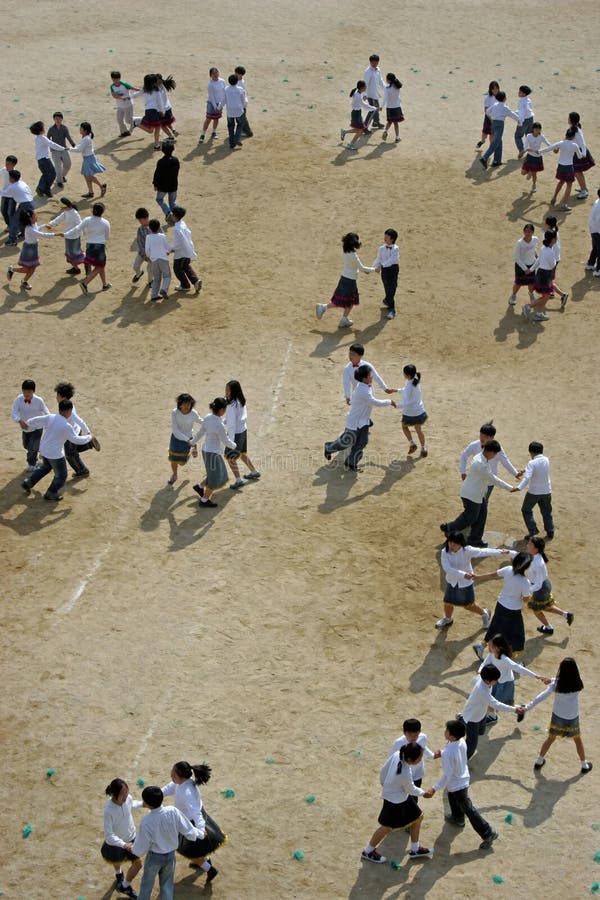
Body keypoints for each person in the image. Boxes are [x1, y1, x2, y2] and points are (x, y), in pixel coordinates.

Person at [423, 719, 499, 849]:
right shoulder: (461, 741)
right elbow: (453, 753)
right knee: (452, 798)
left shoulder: (448, 753)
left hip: (457, 784)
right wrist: (441, 752)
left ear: (452, 736)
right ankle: (458, 818)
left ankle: (488, 832)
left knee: (469, 809)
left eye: (447, 731)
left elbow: (447, 775)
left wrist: (434, 788)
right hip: (462, 778)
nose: (445, 732)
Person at [361, 742, 432, 864]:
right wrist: (424, 793)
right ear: (410, 759)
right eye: (419, 758)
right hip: (396, 802)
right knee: (386, 827)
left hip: (399, 797)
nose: (421, 760)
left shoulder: (397, 754)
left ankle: (415, 848)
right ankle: (368, 851)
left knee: (418, 818)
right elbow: (411, 789)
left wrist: (386, 786)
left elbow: (383, 771)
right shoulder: (405, 773)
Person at [130, 785, 204, 900]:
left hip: (154, 858)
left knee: (146, 885)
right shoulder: (173, 811)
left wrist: (133, 849)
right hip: (170, 857)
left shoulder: (146, 821)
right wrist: (201, 833)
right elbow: (188, 829)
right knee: (167, 886)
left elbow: (141, 847)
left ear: (147, 804)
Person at [525, 657, 592, 775]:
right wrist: (550, 680)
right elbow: (562, 680)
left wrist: (527, 708)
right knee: (577, 740)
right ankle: (584, 765)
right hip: (572, 717)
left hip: (558, 717)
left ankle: (539, 761)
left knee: (551, 738)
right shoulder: (578, 683)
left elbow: (541, 697)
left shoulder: (556, 685)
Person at [161, 761, 225, 882]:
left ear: (182, 777)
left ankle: (209, 869)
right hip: (190, 819)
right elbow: (171, 787)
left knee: (188, 851)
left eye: (174, 776)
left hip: (191, 823)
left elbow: (195, 811)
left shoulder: (187, 792)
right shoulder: (182, 782)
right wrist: (157, 794)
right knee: (197, 847)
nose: (171, 777)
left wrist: (201, 828)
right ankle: (205, 861)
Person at [458, 421, 520, 544]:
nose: (482, 438)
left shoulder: (498, 449)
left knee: (481, 507)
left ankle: (470, 528)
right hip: (476, 481)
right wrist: (462, 471)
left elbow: (505, 461)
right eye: (481, 435)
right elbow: (464, 455)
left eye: (485, 437)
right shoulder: (475, 445)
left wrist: (515, 473)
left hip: (488, 484)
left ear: (491, 438)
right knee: (476, 507)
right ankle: (469, 529)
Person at [324, 364, 395, 471]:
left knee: (362, 442)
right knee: (347, 441)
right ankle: (329, 448)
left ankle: (351, 462)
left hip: (363, 421)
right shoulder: (363, 390)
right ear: (364, 378)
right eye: (370, 375)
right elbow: (374, 402)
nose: (372, 376)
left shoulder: (366, 386)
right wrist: (389, 401)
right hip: (354, 422)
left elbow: (358, 399)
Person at [21, 399, 94, 500]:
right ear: (68, 411)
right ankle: (51, 492)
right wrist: (89, 437)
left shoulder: (51, 417)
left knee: (45, 467)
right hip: (55, 454)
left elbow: (36, 420)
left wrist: (27, 423)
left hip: (44, 449)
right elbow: (76, 440)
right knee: (61, 475)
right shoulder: (66, 426)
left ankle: (28, 482)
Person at [440, 440, 514, 539]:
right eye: (495, 454)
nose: (495, 456)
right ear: (491, 452)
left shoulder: (480, 456)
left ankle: (475, 537)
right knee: (470, 517)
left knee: (480, 515)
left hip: (477, 493)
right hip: (472, 495)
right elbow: (494, 479)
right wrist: (510, 488)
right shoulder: (481, 465)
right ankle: (450, 527)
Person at [436, 531, 507, 630]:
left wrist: (499, 552)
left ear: (460, 543)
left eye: (454, 543)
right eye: (450, 542)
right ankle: (448, 619)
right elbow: (447, 568)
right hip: (452, 581)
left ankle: (485, 614)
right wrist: (463, 574)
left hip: (465, 584)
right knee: (448, 602)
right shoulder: (445, 552)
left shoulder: (467, 550)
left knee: (469, 605)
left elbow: (483, 551)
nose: (451, 545)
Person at [472, 634, 549, 724]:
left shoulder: (505, 659)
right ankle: (500, 713)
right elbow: (484, 663)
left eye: (491, 646)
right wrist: (480, 670)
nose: (489, 647)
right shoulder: (491, 655)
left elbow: (518, 668)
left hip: (505, 683)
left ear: (498, 648)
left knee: (499, 703)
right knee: (491, 701)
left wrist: (535, 675)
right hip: (495, 682)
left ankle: (499, 715)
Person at [458, 664, 525, 758]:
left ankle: (462, 720)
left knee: (481, 731)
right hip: (472, 718)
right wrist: (514, 709)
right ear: (488, 680)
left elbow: (473, 680)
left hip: (480, 714)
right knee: (471, 744)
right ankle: (463, 760)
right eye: (495, 680)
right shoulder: (482, 690)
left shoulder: (482, 679)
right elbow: (496, 704)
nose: (497, 682)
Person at [316, 232, 375, 328]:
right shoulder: (353, 255)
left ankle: (344, 319)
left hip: (347, 279)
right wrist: (374, 269)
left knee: (350, 301)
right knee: (342, 301)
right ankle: (323, 307)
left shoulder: (346, 252)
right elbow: (362, 268)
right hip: (349, 282)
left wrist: (365, 270)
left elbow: (357, 267)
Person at [478, 552, 532, 654]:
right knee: (517, 634)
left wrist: (477, 577)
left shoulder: (508, 570)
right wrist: (530, 596)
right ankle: (506, 655)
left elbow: (493, 575)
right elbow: (525, 599)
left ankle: (482, 645)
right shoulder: (525, 582)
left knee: (495, 626)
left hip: (500, 605)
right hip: (513, 611)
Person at [191, 397, 238, 508]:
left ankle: (200, 487)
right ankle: (204, 500)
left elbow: (201, 432)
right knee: (215, 477)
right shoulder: (219, 425)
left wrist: (193, 441)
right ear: (221, 410)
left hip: (205, 451)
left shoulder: (208, 417)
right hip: (213, 454)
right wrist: (234, 445)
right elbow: (225, 441)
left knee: (214, 474)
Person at [522, 537, 573, 634]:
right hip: (542, 587)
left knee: (536, 608)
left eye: (530, 544)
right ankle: (566, 615)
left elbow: (538, 584)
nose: (527, 545)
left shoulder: (538, 563)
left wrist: (527, 590)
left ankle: (549, 628)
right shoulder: (535, 556)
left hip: (540, 588)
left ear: (536, 549)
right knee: (545, 606)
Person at [102, 778, 143, 898]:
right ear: (114, 795)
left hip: (131, 838)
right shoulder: (108, 810)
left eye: (126, 792)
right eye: (122, 794)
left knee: (138, 864)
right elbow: (109, 836)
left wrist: (143, 804)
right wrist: (123, 845)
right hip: (117, 844)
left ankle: (124, 886)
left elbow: (132, 803)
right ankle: (118, 873)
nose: (126, 796)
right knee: (117, 860)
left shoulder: (128, 798)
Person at [54, 381, 100, 478]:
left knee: (70, 455)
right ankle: (88, 443)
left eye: (57, 395)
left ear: (63, 397)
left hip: (72, 434)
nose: (56, 397)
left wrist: (88, 432)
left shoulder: (69, 409)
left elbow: (79, 420)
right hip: (74, 431)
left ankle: (82, 470)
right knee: (73, 450)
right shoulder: (66, 405)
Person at [7, 209, 61, 290]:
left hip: (33, 248)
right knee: (26, 269)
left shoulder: (33, 224)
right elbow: (41, 234)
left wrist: (44, 226)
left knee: (33, 268)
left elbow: (37, 229)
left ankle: (24, 281)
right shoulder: (29, 229)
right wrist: (56, 234)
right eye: (35, 215)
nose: (36, 216)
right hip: (28, 250)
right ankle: (11, 269)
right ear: (30, 219)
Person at [64, 202, 111, 293]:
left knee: (100, 266)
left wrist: (66, 234)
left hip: (89, 246)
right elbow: (107, 237)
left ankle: (105, 284)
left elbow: (77, 228)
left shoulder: (87, 220)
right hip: (99, 247)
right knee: (100, 266)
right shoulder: (105, 222)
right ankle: (85, 283)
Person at [511, 441, 554, 540]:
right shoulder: (546, 459)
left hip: (534, 492)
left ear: (531, 452)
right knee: (547, 511)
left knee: (526, 510)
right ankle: (550, 530)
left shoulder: (532, 462)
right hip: (547, 491)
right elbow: (536, 466)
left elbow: (527, 478)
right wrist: (525, 470)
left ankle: (533, 529)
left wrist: (519, 487)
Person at [224, 379, 261, 488]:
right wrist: (222, 421)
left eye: (228, 390)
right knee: (242, 453)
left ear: (233, 391)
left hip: (235, 434)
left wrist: (230, 441)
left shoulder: (231, 405)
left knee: (230, 458)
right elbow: (235, 418)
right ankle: (254, 472)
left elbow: (231, 425)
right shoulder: (240, 400)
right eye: (226, 389)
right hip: (243, 431)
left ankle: (238, 480)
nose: (226, 392)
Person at [390, 719, 441, 788]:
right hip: (404, 776)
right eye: (410, 735)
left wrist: (432, 755)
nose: (413, 738)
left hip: (417, 774)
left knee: (414, 796)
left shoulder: (423, 737)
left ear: (419, 732)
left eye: (416, 735)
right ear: (404, 732)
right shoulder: (398, 743)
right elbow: (391, 759)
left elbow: (424, 748)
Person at [540, 127, 582, 211]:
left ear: (566, 134)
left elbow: (549, 148)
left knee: (561, 182)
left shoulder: (561, 143)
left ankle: (554, 197)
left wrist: (538, 151)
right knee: (569, 185)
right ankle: (564, 204)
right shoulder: (574, 145)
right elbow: (580, 156)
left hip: (561, 166)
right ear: (573, 137)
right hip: (569, 167)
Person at [11, 379, 49, 470]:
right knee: (26, 445)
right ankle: (41, 449)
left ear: (33, 391)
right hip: (25, 428)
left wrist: (49, 421)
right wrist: (20, 421)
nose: (26, 393)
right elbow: (14, 413)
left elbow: (46, 411)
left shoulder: (39, 400)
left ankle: (32, 464)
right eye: (24, 391)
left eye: (29, 391)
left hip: (37, 428)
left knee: (32, 448)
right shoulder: (19, 399)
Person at [168, 392, 202, 485]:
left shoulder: (193, 413)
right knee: (173, 458)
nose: (187, 406)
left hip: (188, 437)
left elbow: (201, 421)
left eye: (189, 403)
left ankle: (193, 448)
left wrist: (211, 423)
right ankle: (174, 474)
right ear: (180, 404)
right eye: (184, 403)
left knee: (182, 462)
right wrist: (189, 441)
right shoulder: (175, 412)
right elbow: (175, 431)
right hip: (176, 438)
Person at [480, 91, 519, 168]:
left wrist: (493, 116)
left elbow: (487, 112)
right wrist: (520, 120)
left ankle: (497, 160)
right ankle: (484, 158)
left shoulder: (495, 105)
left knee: (499, 141)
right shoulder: (505, 107)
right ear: (505, 98)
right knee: (496, 142)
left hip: (493, 124)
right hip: (500, 125)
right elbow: (512, 115)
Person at [396, 365, 428, 457]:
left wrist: (396, 405)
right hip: (419, 411)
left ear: (408, 375)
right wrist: (396, 390)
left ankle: (412, 444)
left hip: (409, 413)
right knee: (418, 430)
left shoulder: (409, 385)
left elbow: (406, 401)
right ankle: (423, 448)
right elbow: (406, 390)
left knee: (404, 427)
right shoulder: (416, 382)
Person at [48, 198, 85, 274]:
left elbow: (80, 225)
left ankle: (81, 266)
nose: (61, 208)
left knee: (73, 254)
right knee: (72, 254)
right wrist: (51, 224)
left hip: (73, 237)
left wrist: (68, 233)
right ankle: (76, 268)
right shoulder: (66, 212)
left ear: (66, 206)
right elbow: (59, 218)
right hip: (69, 237)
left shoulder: (74, 214)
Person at [70, 121, 106, 199]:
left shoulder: (86, 139)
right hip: (88, 158)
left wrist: (69, 149)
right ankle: (91, 192)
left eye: (81, 128)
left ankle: (101, 186)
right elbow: (80, 147)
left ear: (85, 131)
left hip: (88, 159)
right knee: (87, 176)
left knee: (89, 176)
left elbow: (79, 149)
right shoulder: (86, 137)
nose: (80, 129)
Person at [170, 206, 202, 294]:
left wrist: (171, 249)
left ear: (175, 216)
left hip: (180, 253)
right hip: (187, 250)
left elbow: (178, 244)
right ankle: (196, 281)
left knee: (177, 269)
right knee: (186, 266)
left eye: (172, 214)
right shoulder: (182, 223)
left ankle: (185, 285)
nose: (171, 215)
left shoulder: (176, 229)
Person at [29, 120, 65, 197]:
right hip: (45, 159)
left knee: (45, 174)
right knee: (52, 174)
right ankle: (45, 189)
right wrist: (62, 148)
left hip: (39, 160)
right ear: (41, 130)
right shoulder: (43, 138)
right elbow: (52, 144)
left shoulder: (37, 138)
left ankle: (41, 188)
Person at [0, 169, 34, 246]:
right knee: (22, 220)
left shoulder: (12, 186)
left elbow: (4, 193)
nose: (8, 179)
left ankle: (12, 240)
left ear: (12, 178)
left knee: (14, 222)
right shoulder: (22, 183)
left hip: (25, 205)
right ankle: (23, 233)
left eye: (9, 177)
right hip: (31, 202)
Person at [372, 228, 400, 318]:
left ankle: (387, 300)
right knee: (387, 287)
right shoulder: (381, 248)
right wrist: (373, 268)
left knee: (393, 287)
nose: (384, 237)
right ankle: (392, 309)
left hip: (393, 269)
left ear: (392, 239)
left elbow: (392, 260)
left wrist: (381, 266)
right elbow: (378, 259)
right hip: (385, 271)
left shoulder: (396, 248)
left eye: (387, 236)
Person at [341, 81, 376, 152]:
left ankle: (345, 132)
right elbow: (364, 105)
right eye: (365, 86)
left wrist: (364, 96)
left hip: (356, 113)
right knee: (360, 131)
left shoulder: (357, 91)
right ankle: (350, 144)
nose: (366, 87)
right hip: (356, 114)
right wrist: (374, 108)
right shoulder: (358, 96)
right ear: (362, 88)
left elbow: (361, 99)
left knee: (359, 130)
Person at [132, 74, 165, 149]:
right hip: (154, 112)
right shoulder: (157, 91)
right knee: (152, 130)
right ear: (153, 82)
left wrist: (127, 96)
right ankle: (136, 123)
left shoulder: (145, 89)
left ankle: (156, 145)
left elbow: (135, 95)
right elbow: (160, 102)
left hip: (150, 111)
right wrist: (162, 111)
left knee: (156, 128)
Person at [509, 223, 538, 305]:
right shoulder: (520, 243)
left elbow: (534, 249)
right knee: (518, 283)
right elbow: (517, 258)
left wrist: (536, 257)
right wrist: (525, 268)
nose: (527, 233)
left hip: (532, 265)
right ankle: (513, 295)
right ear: (523, 231)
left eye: (530, 231)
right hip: (521, 267)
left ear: (533, 232)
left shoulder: (535, 239)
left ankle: (531, 295)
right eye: (526, 231)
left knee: (531, 283)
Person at [569, 111, 595, 200]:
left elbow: (582, 143)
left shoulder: (575, 130)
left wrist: (583, 154)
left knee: (577, 172)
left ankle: (584, 191)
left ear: (571, 120)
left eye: (569, 118)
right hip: (577, 153)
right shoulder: (574, 128)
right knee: (578, 172)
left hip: (579, 153)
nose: (567, 119)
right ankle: (583, 188)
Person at [145, 218, 172, 301]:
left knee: (156, 278)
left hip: (154, 261)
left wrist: (151, 257)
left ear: (149, 228)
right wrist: (168, 252)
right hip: (163, 259)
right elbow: (168, 247)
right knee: (167, 276)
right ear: (159, 227)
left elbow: (147, 250)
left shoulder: (148, 237)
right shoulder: (162, 236)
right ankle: (163, 289)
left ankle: (154, 295)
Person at [47, 112, 76, 188]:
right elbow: (47, 139)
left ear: (62, 119)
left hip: (63, 148)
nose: (58, 120)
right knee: (58, 167)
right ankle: (59, 181)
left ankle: (62, 176)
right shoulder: (51, 129)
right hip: (55, 150)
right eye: (56, 119)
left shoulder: (64, 128)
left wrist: (73, 144)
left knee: (68, 164)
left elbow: (68, 137)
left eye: (59, 118)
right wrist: (50, 147)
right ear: (54, 119)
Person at [152, 141, 179, 223]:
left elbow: (157, 174)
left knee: (159, 199)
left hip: (162, 186)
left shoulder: (160, 162)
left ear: (162, 150)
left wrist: (155, 184)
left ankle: (167, 212)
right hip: (173, 185)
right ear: (173, 149)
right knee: (173, 203)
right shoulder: (176, 160)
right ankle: (176, 218)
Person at [519, 123, 550, 194]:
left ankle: (534, 185)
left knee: (534, 173)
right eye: (536, 129)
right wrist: (534, 151)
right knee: (523, 173)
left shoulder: (541, 137)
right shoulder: (529, 136)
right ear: (533, 129)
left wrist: (554, 147)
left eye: (539, 129)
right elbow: (526, 147)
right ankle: (529, 171)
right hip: (530, 157)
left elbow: (548, 144)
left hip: (537, 158)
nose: (537, 131)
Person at [199, 67, 226, 142]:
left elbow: (224, 92)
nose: (215, 75)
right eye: (213, 73)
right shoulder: (210, 84)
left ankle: (214, 132)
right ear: (210, 75)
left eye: (216, 72)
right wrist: (215, 106)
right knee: (208, 119)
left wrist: (220, 104)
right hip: (211, 103)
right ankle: (203, 134)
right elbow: (212, 96)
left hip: (220, 103)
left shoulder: (222, 81)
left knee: (216, 118)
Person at [110, 71, 138, 137]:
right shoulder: (112, 86)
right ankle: (124, 132)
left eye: (116, 79)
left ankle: (139, 121)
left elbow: (133, 88)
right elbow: (113, 95)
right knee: (119, 120)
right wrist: (121, 98)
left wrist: (140, 90)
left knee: (129, 120)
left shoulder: (124, 84)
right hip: (119, 106)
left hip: (128, 105)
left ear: (119, 78)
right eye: (113, 79)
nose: (115, 81)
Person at [224, 73, 246, 150]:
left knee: (230, 126)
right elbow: (243, 100)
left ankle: (231, 143)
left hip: (230, 111)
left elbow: (223, 100)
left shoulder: (226, 89)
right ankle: (236, 139)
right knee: (240, 124)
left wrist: (219, 107)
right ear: (237, 81)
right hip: (238, 110)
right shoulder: (240, 89)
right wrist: (244, 107)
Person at [363, 54, 385, 129]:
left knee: (376, 108)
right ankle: (365, 126)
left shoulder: (378, 70)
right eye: (374, 63)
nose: (376, 64)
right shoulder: (368, 72)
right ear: (371, 62)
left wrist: (385, 89)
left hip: (375, 94)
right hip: (370, 95)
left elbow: (380, 80)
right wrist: (364, 94)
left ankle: (376, 122)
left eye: (377, 62)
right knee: (372, 110)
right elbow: (365, 83)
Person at [381, 73, 404, 143]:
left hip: (390, 108)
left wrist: (381, 107)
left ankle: (385, 131)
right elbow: (398, 97)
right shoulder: (397, 87)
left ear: (389, 80)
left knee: (389, 121)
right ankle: (397, 137)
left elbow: (385, 99)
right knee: (396, 123)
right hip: (397, 107)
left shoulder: (387, 89)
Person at [476, 80, 499, 149]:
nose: (495, 90)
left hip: (496, 118)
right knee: (484, 133)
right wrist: (490, 118)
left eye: (496, 88)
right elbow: (486, 110)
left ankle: (491, 148)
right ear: (490, 89)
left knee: (492, 134)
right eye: (493, 89)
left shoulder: (500, 97)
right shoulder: (488, 98)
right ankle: (482, 141)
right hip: (488, 118)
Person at [132, 208, 151, 286]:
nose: (140, 222)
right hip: (142, 253)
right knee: (135, 266)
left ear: (146, 218)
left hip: (152, 254)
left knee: (150, 269)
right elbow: (139, 242)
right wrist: (144, 253)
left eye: (141, 220)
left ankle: (150, 281)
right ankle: (139, 273)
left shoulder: (155, 225)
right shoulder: (140, 229)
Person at [514, 85, 534, 157]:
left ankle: (521, 149)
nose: (518, 93)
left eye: (520, 92)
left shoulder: (521, 102)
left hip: (524, 120)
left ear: (524, 94)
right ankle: (532, 150)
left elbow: (522, 113)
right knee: (529, 135)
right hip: (530, 119)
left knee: (517, 136)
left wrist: (520, 122)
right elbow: (529, 109)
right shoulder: (528, 100)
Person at [234, 65, 253, 137]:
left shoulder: (240, 83)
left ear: (241, 74)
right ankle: (242, 130)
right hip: (241, 103)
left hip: (241, 104)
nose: (235, 75)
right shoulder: (239, 81)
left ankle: (249, 133)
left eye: (236, 73)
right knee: (240, 118)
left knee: (243, 119)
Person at [0, 154, 18, 229]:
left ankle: (14, 226)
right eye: (6, 163)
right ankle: (9, 225)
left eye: (8, 164)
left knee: (11, 212)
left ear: (13, 165)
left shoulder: (16, 174)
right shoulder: (3, 170)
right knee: (3, 210)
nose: (6, 166)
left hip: (12, 196)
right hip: (4, 194)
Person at [587, 189, 600, 276]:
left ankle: (590, 264)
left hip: (593, 229)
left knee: (595, 247)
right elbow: (599, 221)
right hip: (597, 230)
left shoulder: (597, 201)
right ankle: (598, 270)